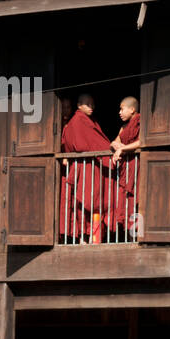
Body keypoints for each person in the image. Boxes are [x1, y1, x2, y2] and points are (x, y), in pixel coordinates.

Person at [59, 94, 112, 243]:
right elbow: (86, 144)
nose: (91, 107)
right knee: (82, 203)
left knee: (91, 201)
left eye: (93, 104)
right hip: (82, 168)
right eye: (87, 104)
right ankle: (83, 236)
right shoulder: (78, 121)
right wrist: (111, 151)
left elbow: (96, 140)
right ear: (79, 105)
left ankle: (92, 237)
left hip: (86, 167)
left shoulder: (88, 121)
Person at [110, 97, 141, 235]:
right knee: (126, 200)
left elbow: (141, 142)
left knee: (136, 199)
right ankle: (129, 234)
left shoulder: (141, 122)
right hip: (126, 169)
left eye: (122, 109)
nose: (119, 112)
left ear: (132, 109)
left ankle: (138, 234)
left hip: (137, 166)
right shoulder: (124, 127)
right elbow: (113, 142)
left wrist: (123, 149)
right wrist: (117, 146)